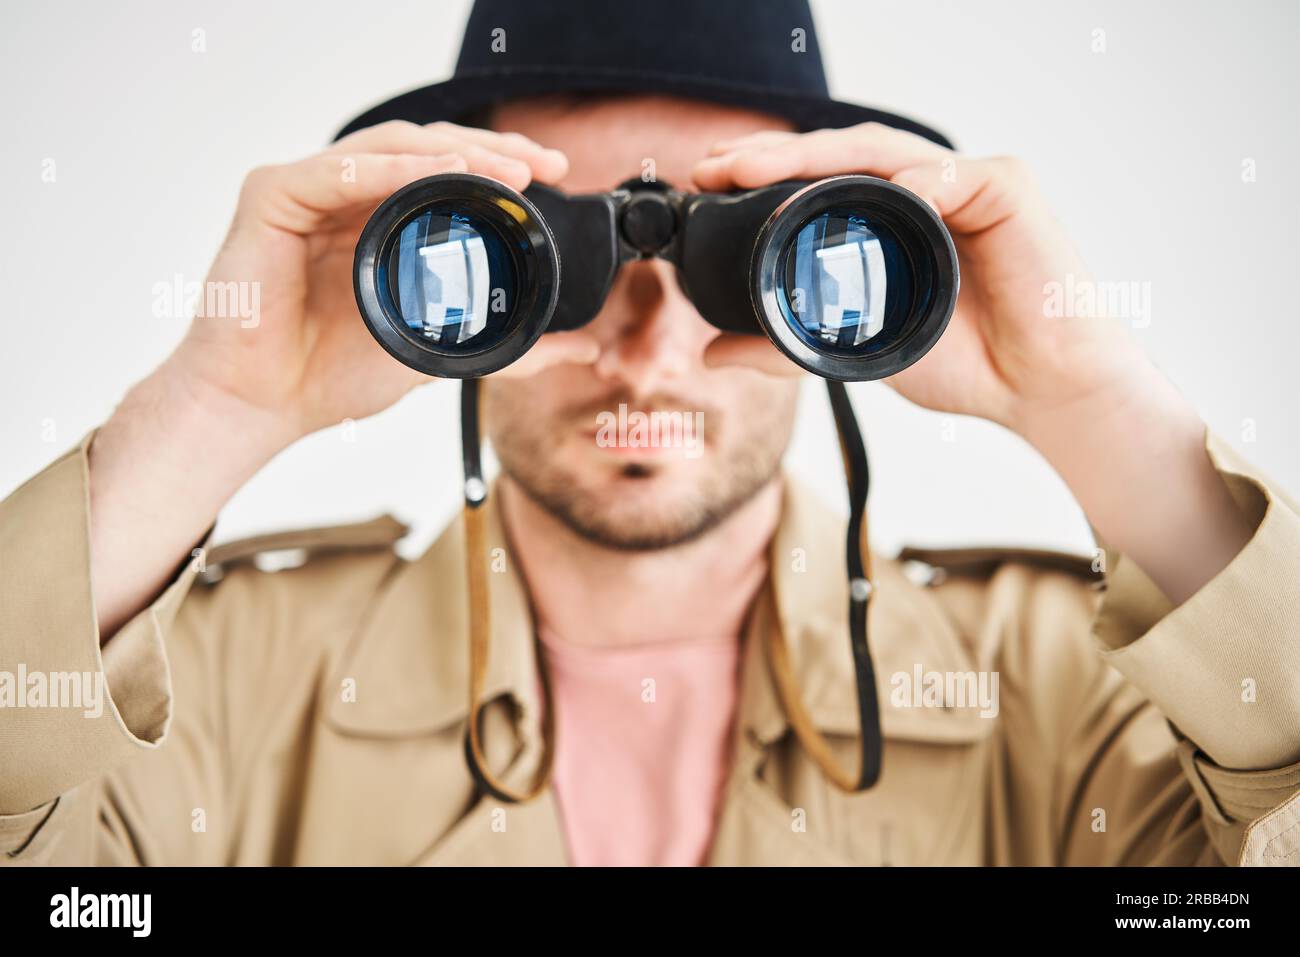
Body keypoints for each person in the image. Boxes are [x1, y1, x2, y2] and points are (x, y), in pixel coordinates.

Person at [2, 0, 1297, 867]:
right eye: (539, 259)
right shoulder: (235, 691)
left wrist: (1093, 405)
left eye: (749, 257)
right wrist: (215, 408)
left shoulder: (1051, 700)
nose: (652, 342)